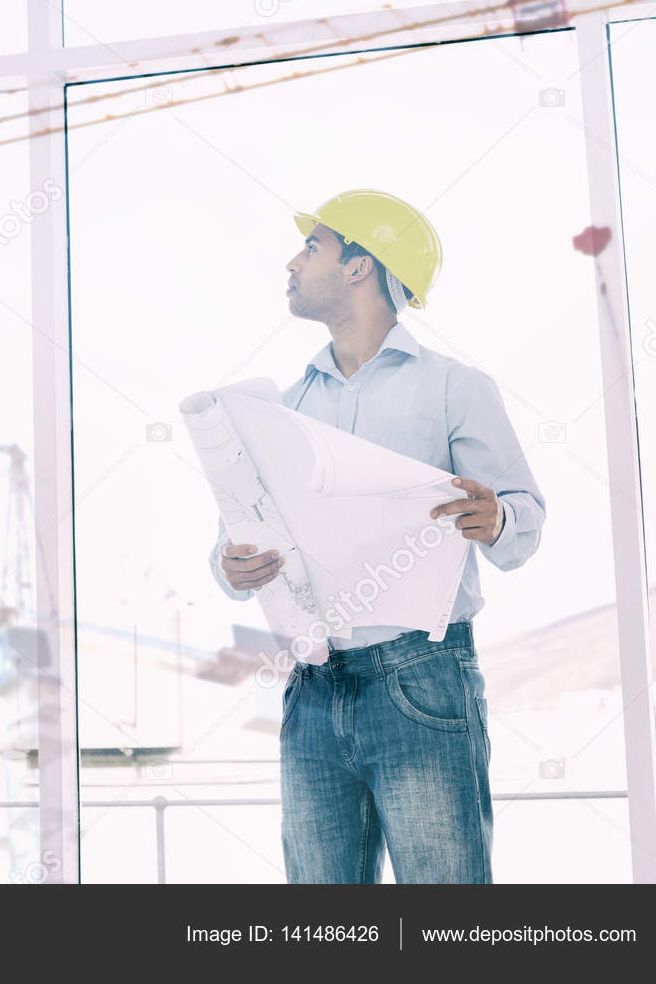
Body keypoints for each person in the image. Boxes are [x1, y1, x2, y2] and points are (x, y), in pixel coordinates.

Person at [208, 189, 545, 884]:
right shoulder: (288, 405)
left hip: (420, 678)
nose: (293, 261)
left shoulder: (455, 387)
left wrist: (498, 517)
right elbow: (234, 534)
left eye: (313, 247)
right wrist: (231, 563)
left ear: (359, 264)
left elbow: (523, 516)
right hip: (312, 682)